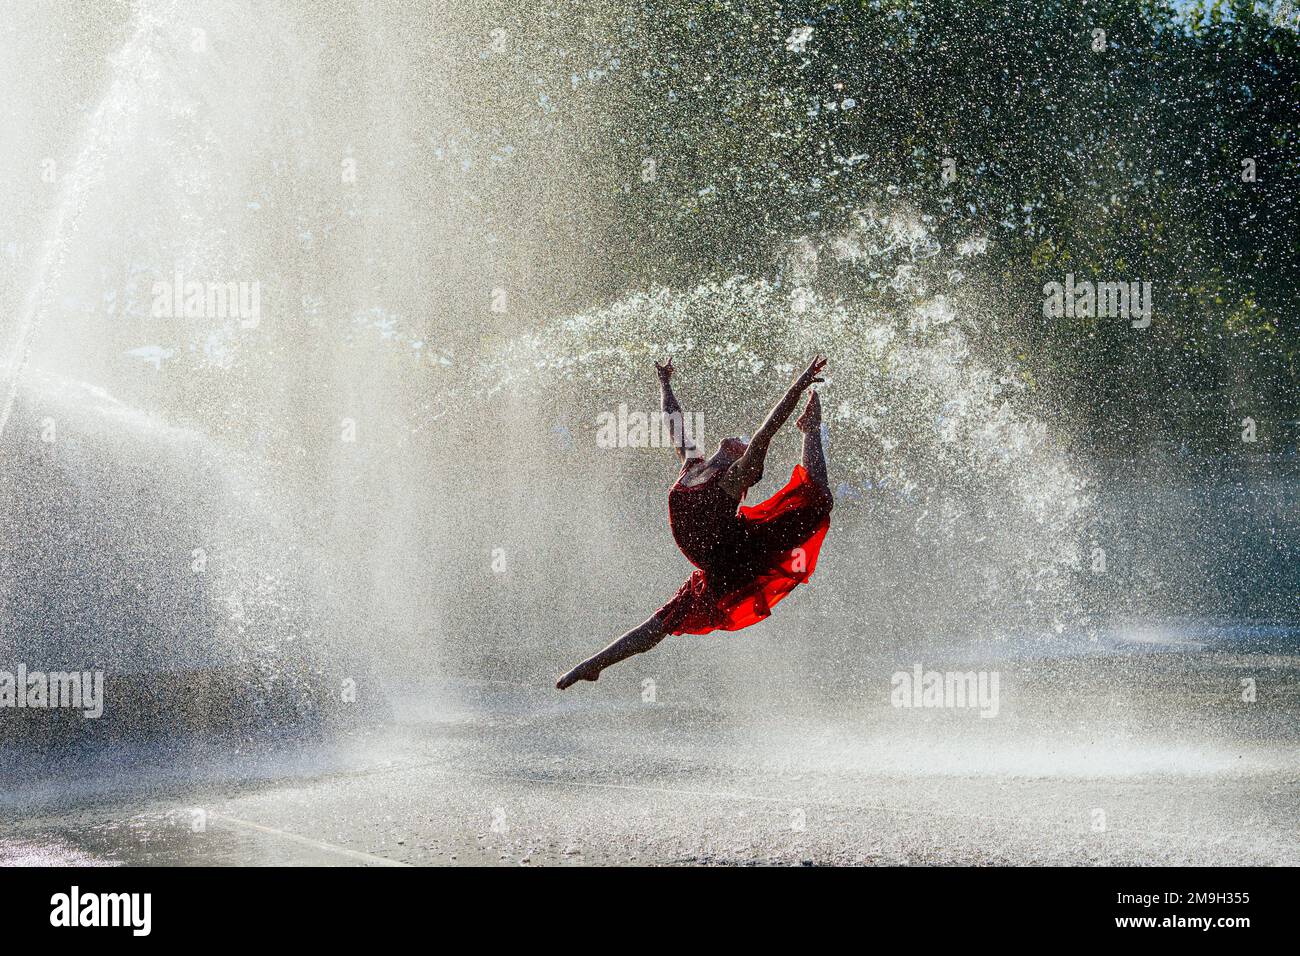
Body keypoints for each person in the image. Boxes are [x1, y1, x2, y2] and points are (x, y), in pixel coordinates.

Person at [556, 356, 833, 690]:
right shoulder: (692, 463)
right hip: (719, 559)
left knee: (817, 501)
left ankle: (810, 429)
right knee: (661, 623)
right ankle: (594, 664)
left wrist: (800, 383)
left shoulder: (729, 482)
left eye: (747, 448)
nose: (744, 442)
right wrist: (664, 382)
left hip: (731, 557)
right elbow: (673, 419)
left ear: (744, 466)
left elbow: (767, 430)